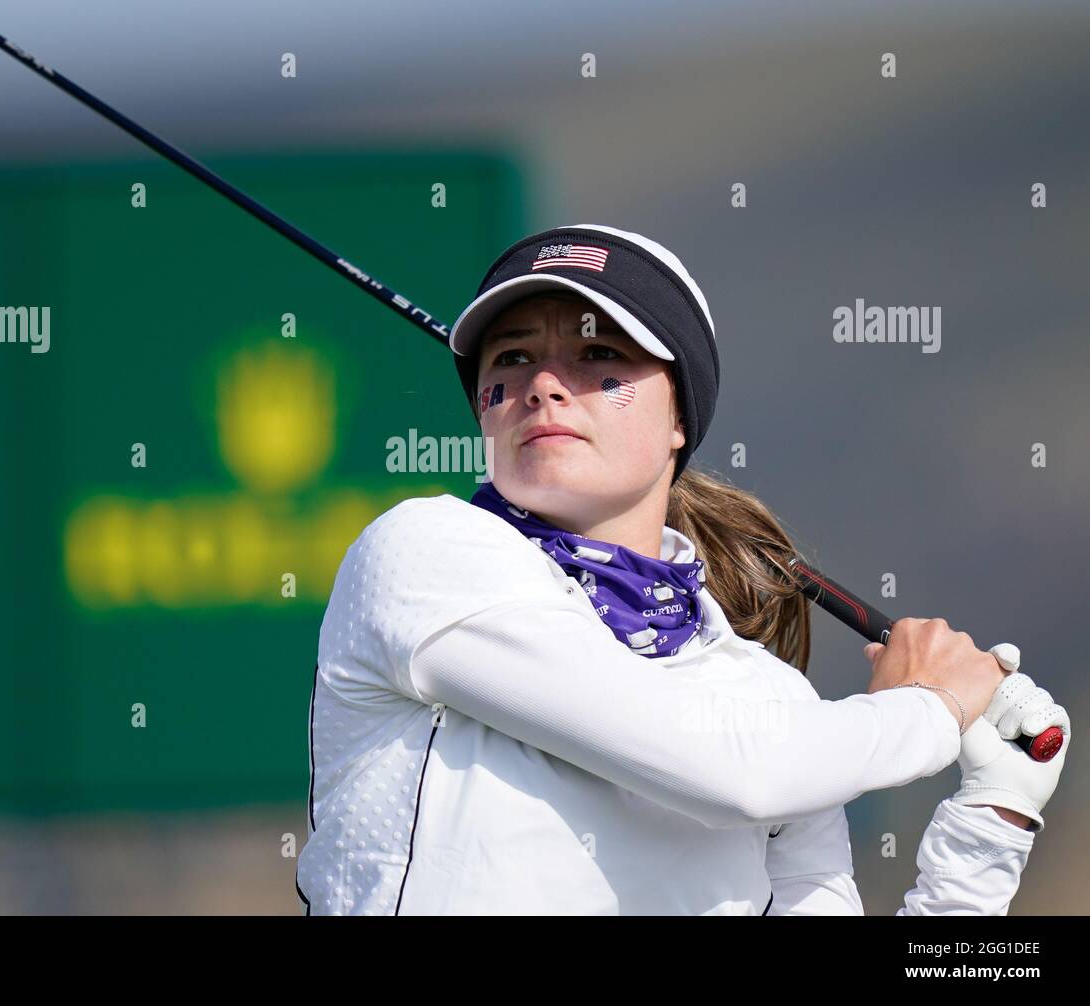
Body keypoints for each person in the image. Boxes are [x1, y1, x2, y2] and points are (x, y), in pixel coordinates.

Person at [295, 224, 1070, 915]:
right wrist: (928, 710)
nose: (544, 385)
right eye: (514, 358)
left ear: (679, 418)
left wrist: (992, 821)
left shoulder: (768, 701)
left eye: (599, 354)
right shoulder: (426, 551)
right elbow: (734, 772)